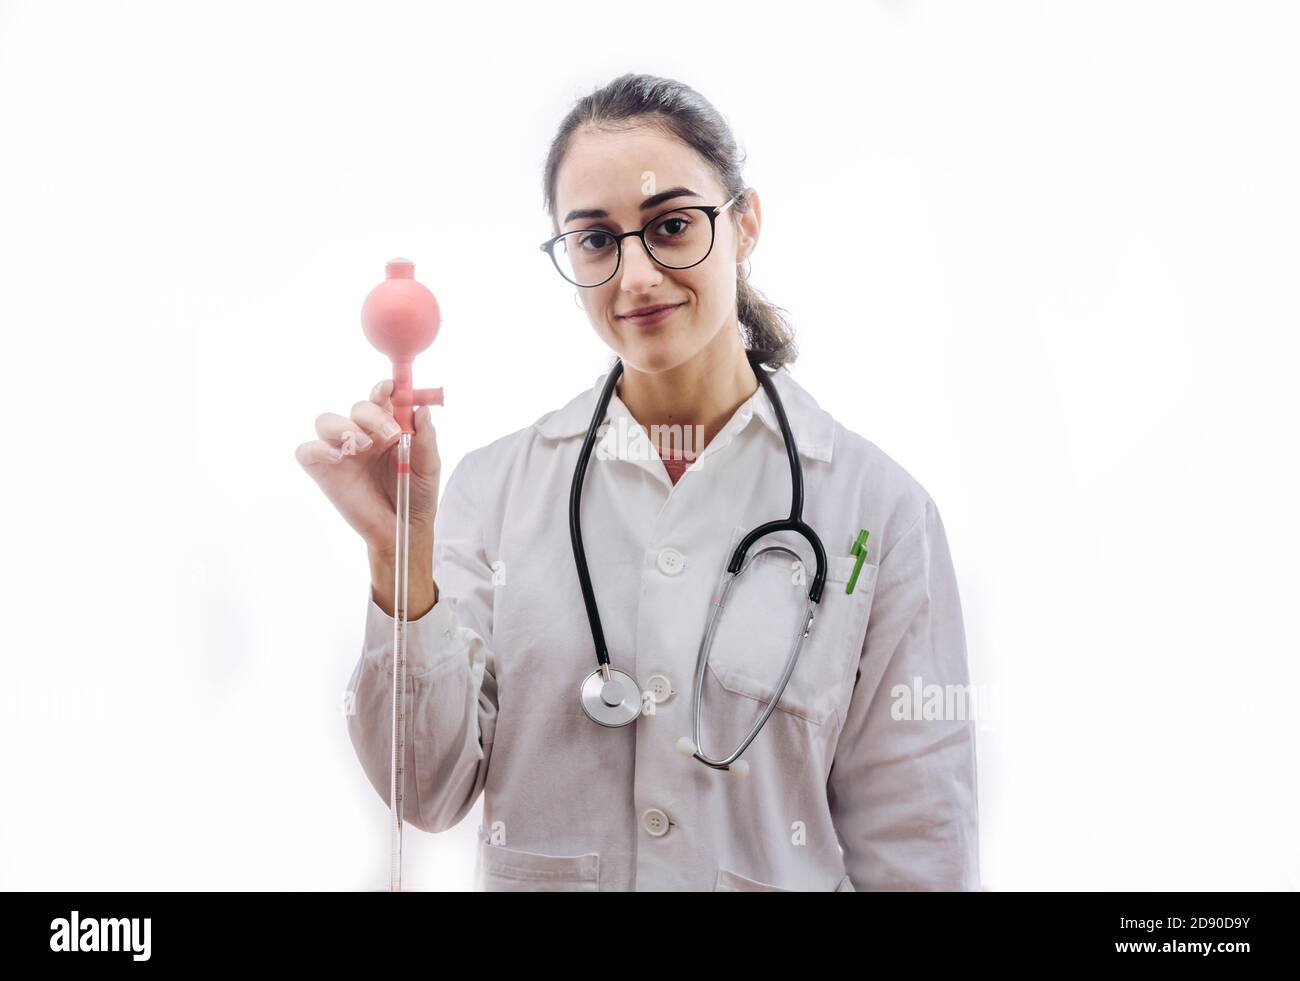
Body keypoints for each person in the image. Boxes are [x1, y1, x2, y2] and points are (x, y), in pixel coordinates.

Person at [295, 73, 980, 891]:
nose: (637, 278)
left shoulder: (880, 512)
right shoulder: (495, 488)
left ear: (745, 223)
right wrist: (397, 559)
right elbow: (429, 789)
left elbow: (918, 847)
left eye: (672, 226)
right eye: (596, 240)